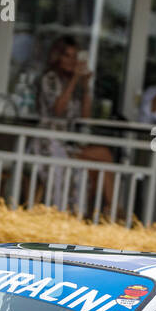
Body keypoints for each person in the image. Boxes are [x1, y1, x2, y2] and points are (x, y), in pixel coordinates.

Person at [34, 35, 114, 211]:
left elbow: (84, 118)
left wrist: (85, 87)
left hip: (69, 143)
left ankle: (106, 209)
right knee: (102, 157)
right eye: (67, 56)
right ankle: (111, 209)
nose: (72, 61)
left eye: (74, 56)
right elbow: (58, 110)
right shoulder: (50, 79)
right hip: (50, 143)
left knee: (101, 160)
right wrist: (74, 80)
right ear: (58, 57)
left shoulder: (73, 82)